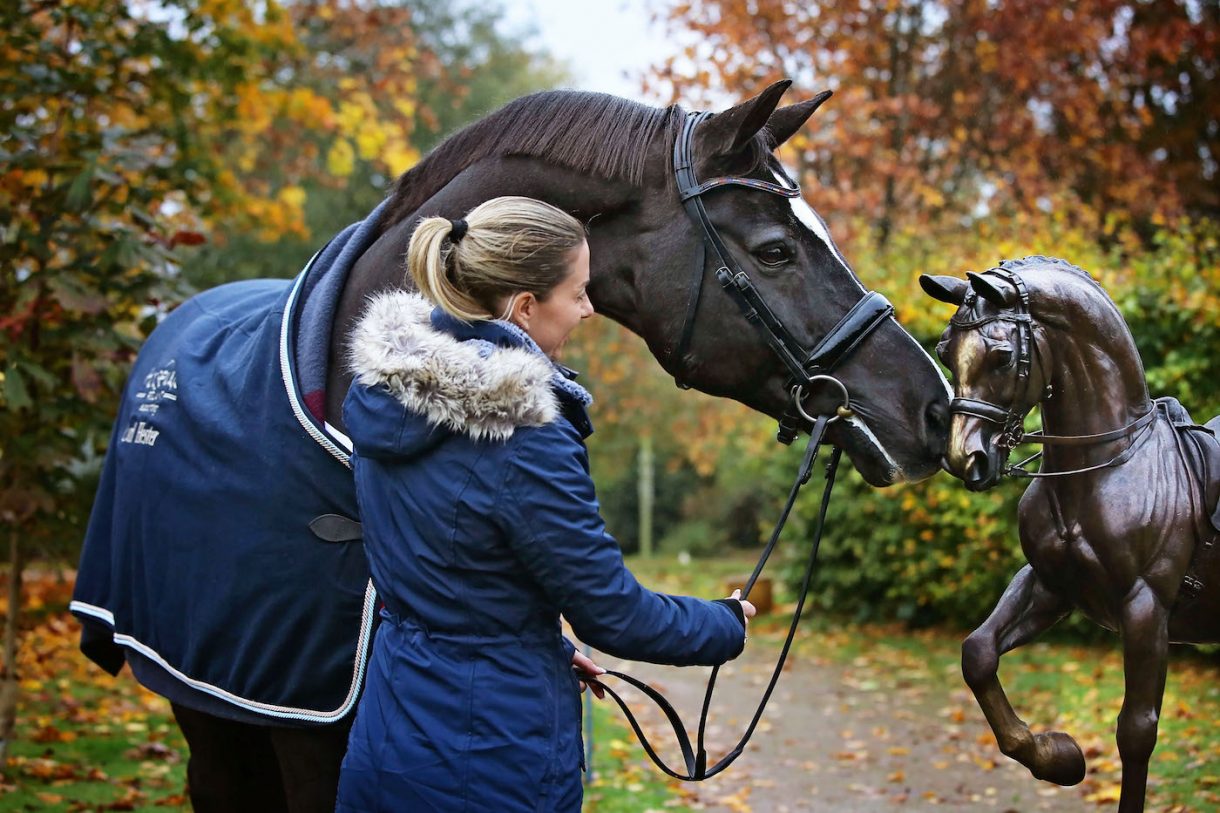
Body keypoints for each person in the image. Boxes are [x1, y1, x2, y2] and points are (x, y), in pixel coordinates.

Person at [335, 196, 754, 812]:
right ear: (526, 307)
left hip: (389, 739)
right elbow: (613, 614)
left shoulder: (388, 395)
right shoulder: (524, 430)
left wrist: (541, 647)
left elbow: (460, 579)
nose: (589, 311)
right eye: (579, 293)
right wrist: (723, 623)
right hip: (492, 766)